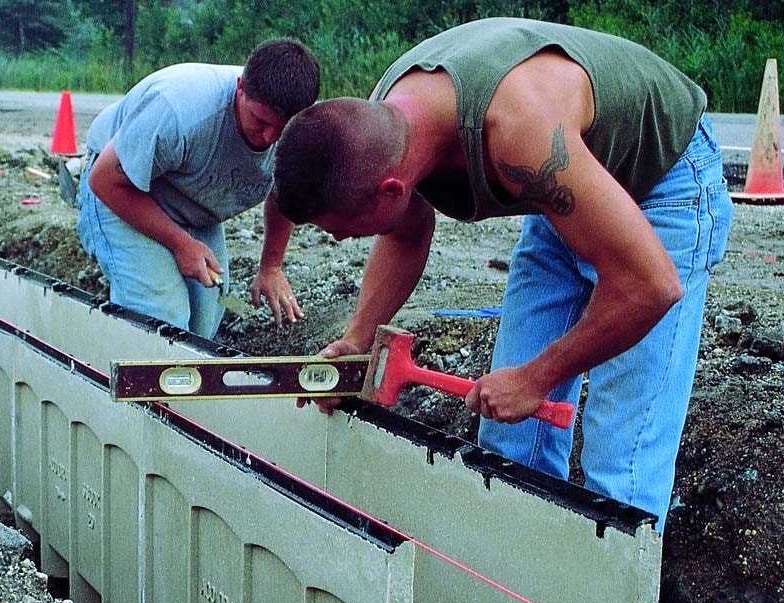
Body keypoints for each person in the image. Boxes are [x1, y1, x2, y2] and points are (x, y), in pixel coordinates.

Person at [273, 18, 733, 532]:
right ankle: (526, 595)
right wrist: (357, 339)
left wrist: (537, 378)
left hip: (661, 184)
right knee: (511, 442)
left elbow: (650, 286)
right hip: (562, 189)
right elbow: (405, 233)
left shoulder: (521, 135)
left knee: (620, 469)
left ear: (389, 190)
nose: (340, 242)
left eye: (344, 230)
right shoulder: (382, 121)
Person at [76, 38, 320, 339]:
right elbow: (104, 180)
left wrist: (271, 266)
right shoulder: (179, 110)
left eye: (281, 129)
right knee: (161, 318)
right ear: (240, 88)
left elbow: (285, 189)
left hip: (192, 201)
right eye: (260, 121)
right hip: (122, 188)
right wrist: (180, 243)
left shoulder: (303, 128)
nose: (270, 138)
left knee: (203, 325)